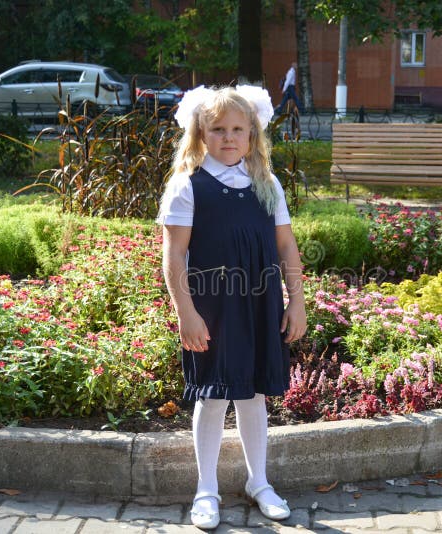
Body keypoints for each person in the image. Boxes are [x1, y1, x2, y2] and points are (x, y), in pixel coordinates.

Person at [158, 85, 307, 530]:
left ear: (252, 134)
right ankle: (206, 490)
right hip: (212, 306)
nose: (228, 137)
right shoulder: (188, 185)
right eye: (218, 129)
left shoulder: (267, 183)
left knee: (254, 393)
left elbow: (286, 245)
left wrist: (296, 301)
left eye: (238, 129)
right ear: (201, 133)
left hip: (260, 302)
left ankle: (258, 481)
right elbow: (174, 255)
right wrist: (186, 312)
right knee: (213, 394)